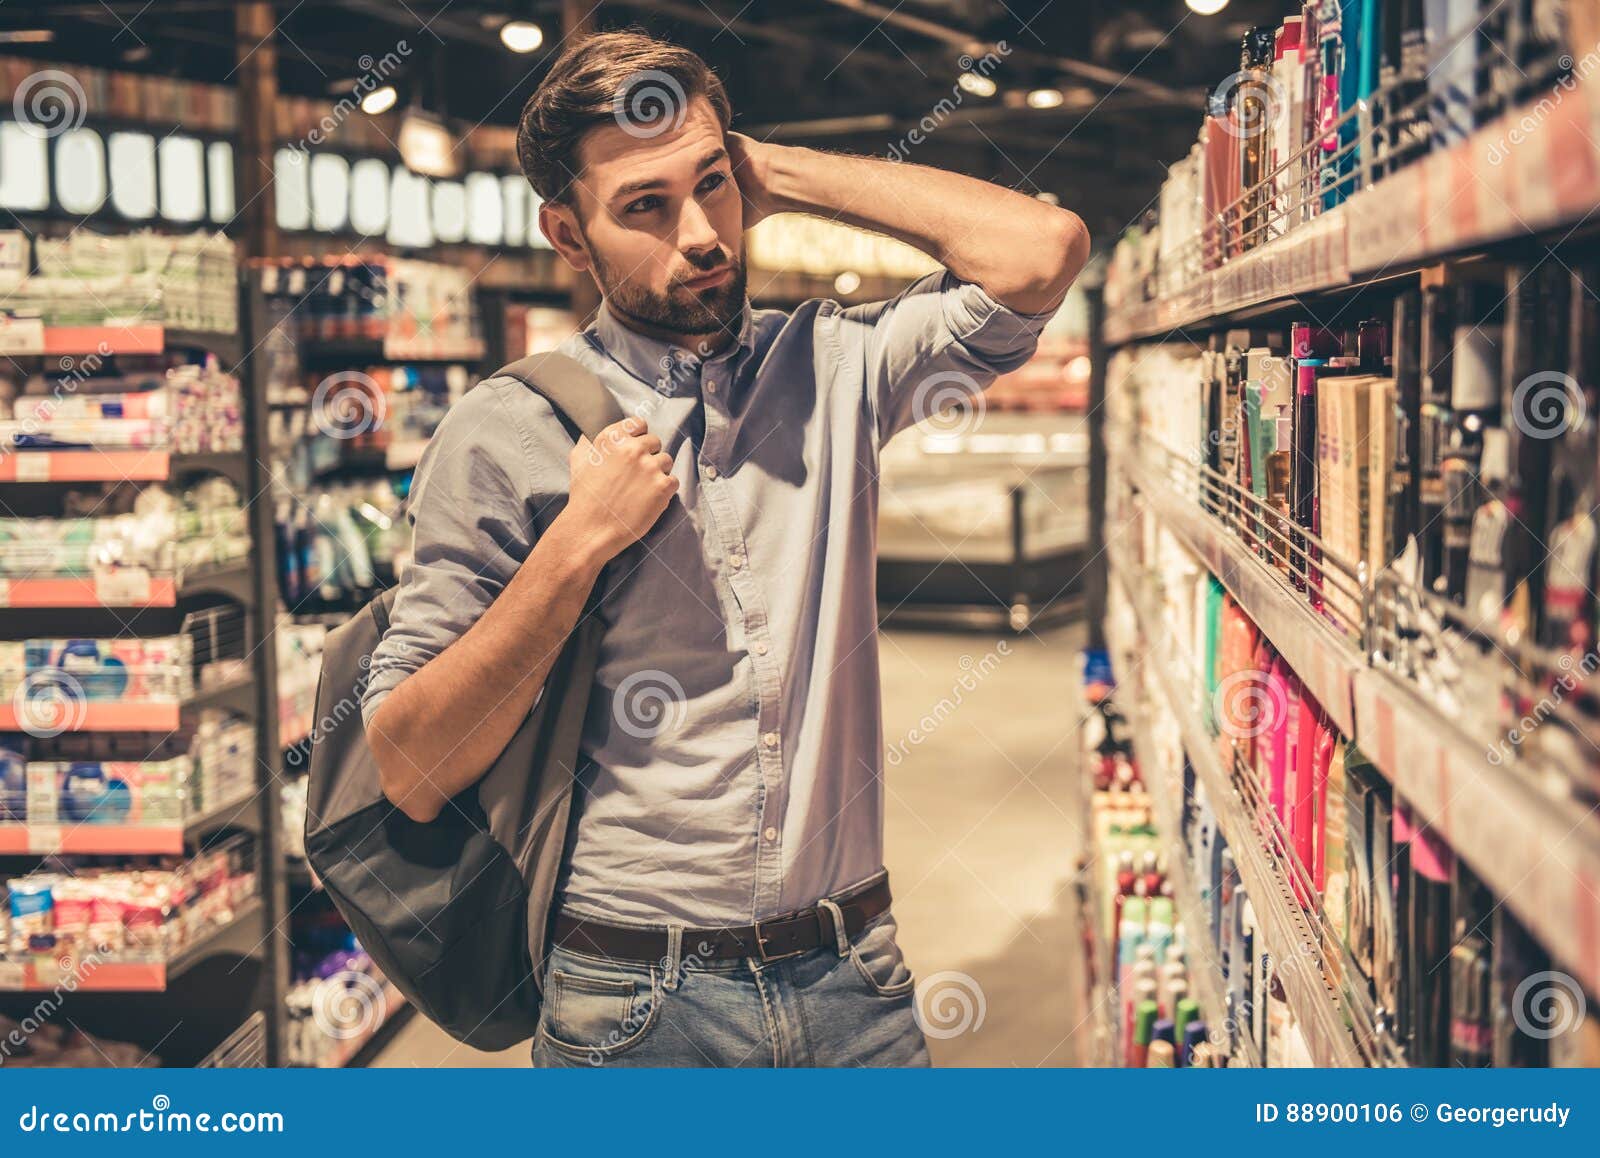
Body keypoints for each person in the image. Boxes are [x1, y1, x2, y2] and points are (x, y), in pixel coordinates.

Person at [361, 29, 1089, 1068]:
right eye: (645, 207)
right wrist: (575, 547)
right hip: (632, 1001)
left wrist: (772, 171)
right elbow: (409, 764)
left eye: (713, 186)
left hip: (855, 979)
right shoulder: (505, 430)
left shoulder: (834, 367)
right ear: (568, 235)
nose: (702, 235)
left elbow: (1042, 251)